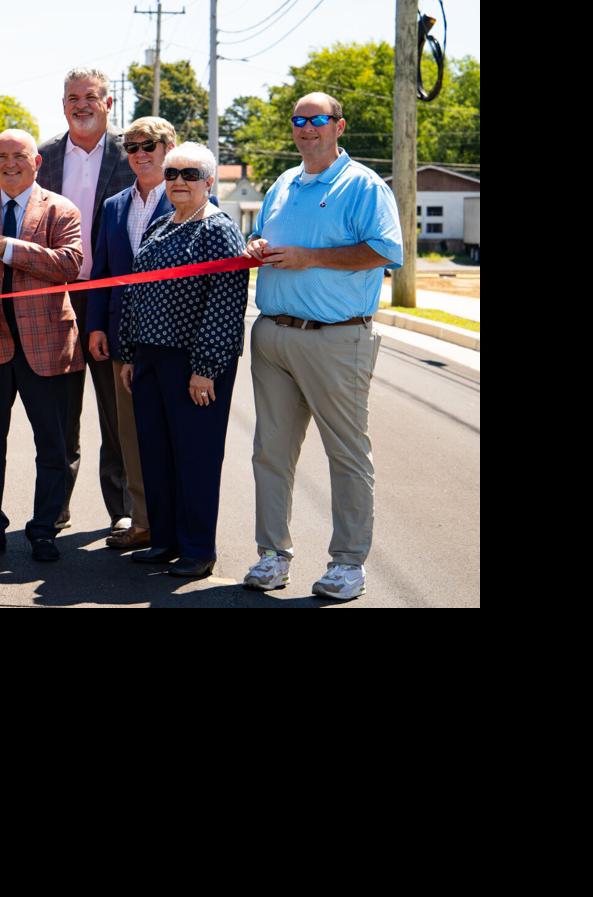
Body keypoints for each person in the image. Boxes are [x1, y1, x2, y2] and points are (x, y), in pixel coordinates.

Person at [241, 93, 403, 600]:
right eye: (299, 120)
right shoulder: (285, 183)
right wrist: (254, 247)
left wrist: (311, 257)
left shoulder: (363, 185)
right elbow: (265, 236)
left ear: (339, 126)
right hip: (273, 335)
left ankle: (347, 564)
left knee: (347, 455)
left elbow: (383, 250)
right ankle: (273, 556)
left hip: (335, 338)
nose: (307, 128)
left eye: (317, 120)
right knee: (270, 452)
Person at [0, 129, 84, 563]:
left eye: (18, 156)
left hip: (47, 344)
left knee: (53, 444)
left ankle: (44, 530)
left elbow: (70, 265)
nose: (9, 164)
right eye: (0, 156)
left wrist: (12, 250)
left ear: (36, 162)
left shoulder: (61, 209)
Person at [114, 143, 249, 579]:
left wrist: (206, 367)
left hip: (194, 365)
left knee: (195, 457)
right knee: (156, 454)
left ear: (210, 181)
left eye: (190, 174)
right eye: (172, 174)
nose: (178, 182)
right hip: (150, 359)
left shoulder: (218, 230)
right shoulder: (161, 227)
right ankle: (165, 540)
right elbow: (134, 293)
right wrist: (130, 353)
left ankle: (197, 549)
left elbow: (225, 303)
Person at [38, 67, 138, 535]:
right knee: (60, 413)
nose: (82, 104)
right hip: (53, 298)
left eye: (91, 96)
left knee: (116, 412)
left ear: (108, 104)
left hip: (109, 299)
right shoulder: (43, 157)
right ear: (63, 104)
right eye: (73, 96)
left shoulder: (130, 155)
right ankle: (55, 507)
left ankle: (122, 508)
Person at [84, 116, 179, 552]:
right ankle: (142, 522)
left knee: (172, 435)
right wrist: (98, 325)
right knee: (131, 438)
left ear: (169, 147)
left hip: (173, 342)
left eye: (149, 145)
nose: (140, 154)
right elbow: (101, 272)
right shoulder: (114, 206)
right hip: (122, 340)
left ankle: (176, 525)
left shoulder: (188, 201)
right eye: (132, 146)